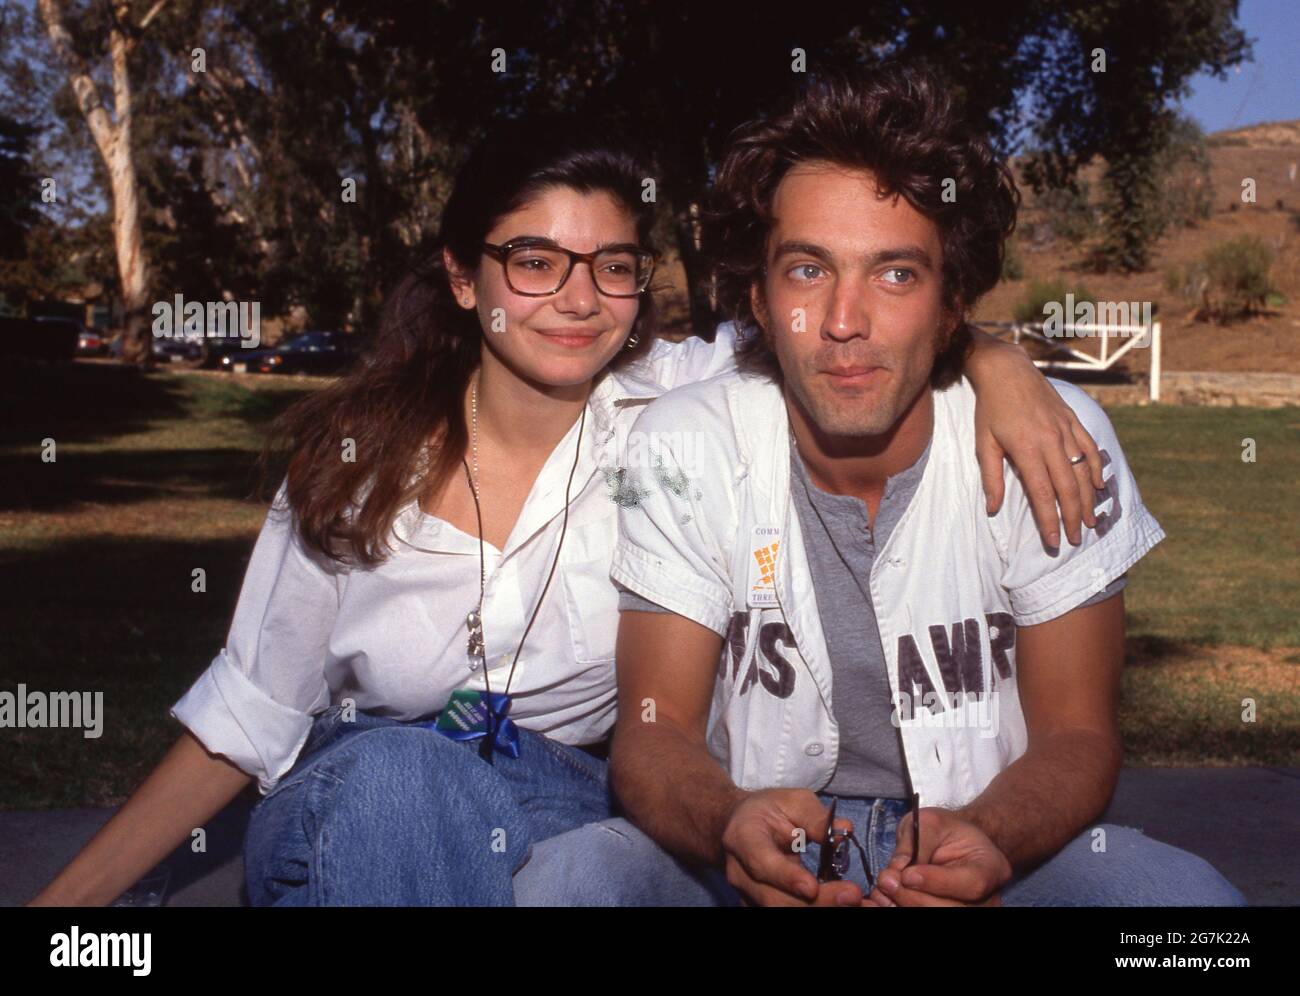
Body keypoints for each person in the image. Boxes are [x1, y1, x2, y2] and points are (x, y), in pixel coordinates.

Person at [31, 111, 1107, 907]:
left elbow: (845, 331)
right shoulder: (352, 467)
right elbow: (247, 719)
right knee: (403, 776)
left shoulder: (677, 402)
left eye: (612, 267)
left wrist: (996, 359)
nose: (579, 300)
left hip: (558, 799)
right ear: (464, 276)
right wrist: (62, 915)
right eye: (534, 262)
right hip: (364, 798)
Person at [517, 63, 1247, 907]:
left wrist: (993, 839)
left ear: (951, 308)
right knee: (572, 880)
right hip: (748, 843)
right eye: (807, 271)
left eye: (895, 274)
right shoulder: (687, 443)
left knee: (1190, 918)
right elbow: (657, 734)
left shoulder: (1053, 437)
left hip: (986, 828)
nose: (843, 321)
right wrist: (728, 820)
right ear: (756, 297)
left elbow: (1079, 735)